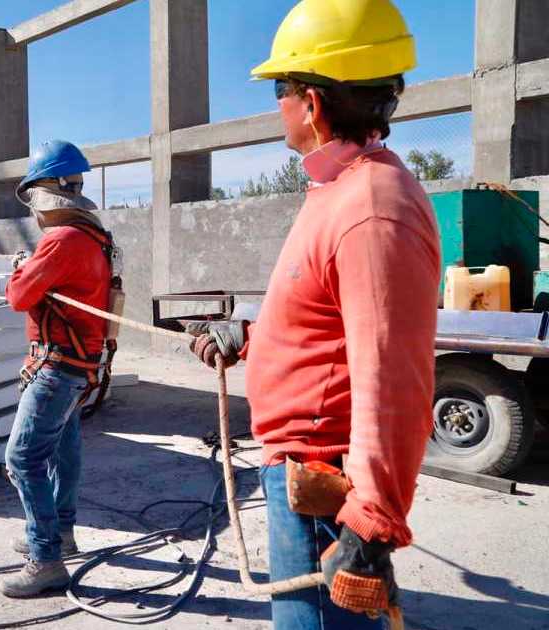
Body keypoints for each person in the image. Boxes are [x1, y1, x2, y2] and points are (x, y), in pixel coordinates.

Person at [188, 1, 440, 627]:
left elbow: (394, 379)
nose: (276, 103)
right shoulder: (342, 188)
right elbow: (328, 319)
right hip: (302, 476)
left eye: (281, 88)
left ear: (313, 101)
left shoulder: (372, 208)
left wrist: (370, 527)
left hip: (323, 490)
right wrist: (249, 336)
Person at [0, 140, 115, 598]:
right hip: (80, 365)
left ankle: (46, 558)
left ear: (45, 194)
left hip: (56, 366)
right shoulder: (92, 237)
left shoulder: (61, 240)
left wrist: (21, 270)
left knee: (23, 457)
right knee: (64, 451)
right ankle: (60, 532)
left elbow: (17, 298)